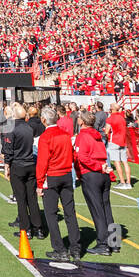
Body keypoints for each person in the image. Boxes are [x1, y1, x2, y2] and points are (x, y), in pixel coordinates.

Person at [35, 106, 81, 261]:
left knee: (51, 214)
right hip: (67, 174)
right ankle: (75, 248)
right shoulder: (65, 134)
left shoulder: (45, 137)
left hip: (53, 176)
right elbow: (73, 154)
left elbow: (42, 162)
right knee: (70, 212)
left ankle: (59, 249)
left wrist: (40, 184)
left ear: (43, 120)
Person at [74, 111, 117, 255]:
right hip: (103, 173)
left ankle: (103, 243)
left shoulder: (83, 136)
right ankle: (114, 242)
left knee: (97, 210)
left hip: (92, 173)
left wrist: (98, 167)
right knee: (106, 208)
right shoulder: (97, 135)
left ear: (82, 122)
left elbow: (82, 157)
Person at [2, 103, 45, 239]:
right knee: (32, 198)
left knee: (21, 199)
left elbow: (8, 150)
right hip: (29, 163)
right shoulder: (29, 127)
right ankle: (38, 228)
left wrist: (7, 165)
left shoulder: (12, 128)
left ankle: (26, 229)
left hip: (18, 164)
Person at [107, 107, 132, 189]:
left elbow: (107, 131)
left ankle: (122, 182)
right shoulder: (122, 117)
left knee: (117, 162)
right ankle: (128, 182)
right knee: (125, 162)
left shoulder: (110, 118)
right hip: (123, 141)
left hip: (114, 140)